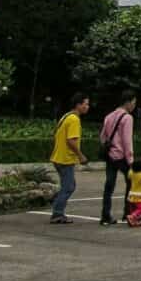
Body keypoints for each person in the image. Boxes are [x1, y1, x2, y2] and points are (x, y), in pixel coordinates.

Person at [48, 92, 89, 224]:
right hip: (65, 158)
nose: (87, 106)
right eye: (86, 104)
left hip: (58, 156)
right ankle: (57, 213)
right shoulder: (74, 119)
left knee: (68, 185)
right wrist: (81, 155)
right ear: (78, 105)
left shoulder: (66, 116)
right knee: (69, 187)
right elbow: (71, 141)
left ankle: (57, 208)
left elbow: (55, 133)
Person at [98, 92, 136, 226]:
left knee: (109, 185)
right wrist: (130, 160)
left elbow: (103, 137)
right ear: (127, 102)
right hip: (122, 157)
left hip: (110, 156)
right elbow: (127, 141)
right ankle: (128, 213)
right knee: (131, 183)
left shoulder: (109, 116)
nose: (134, 106)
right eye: (133, 102)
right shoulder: (127, 118)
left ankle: (105, 215)